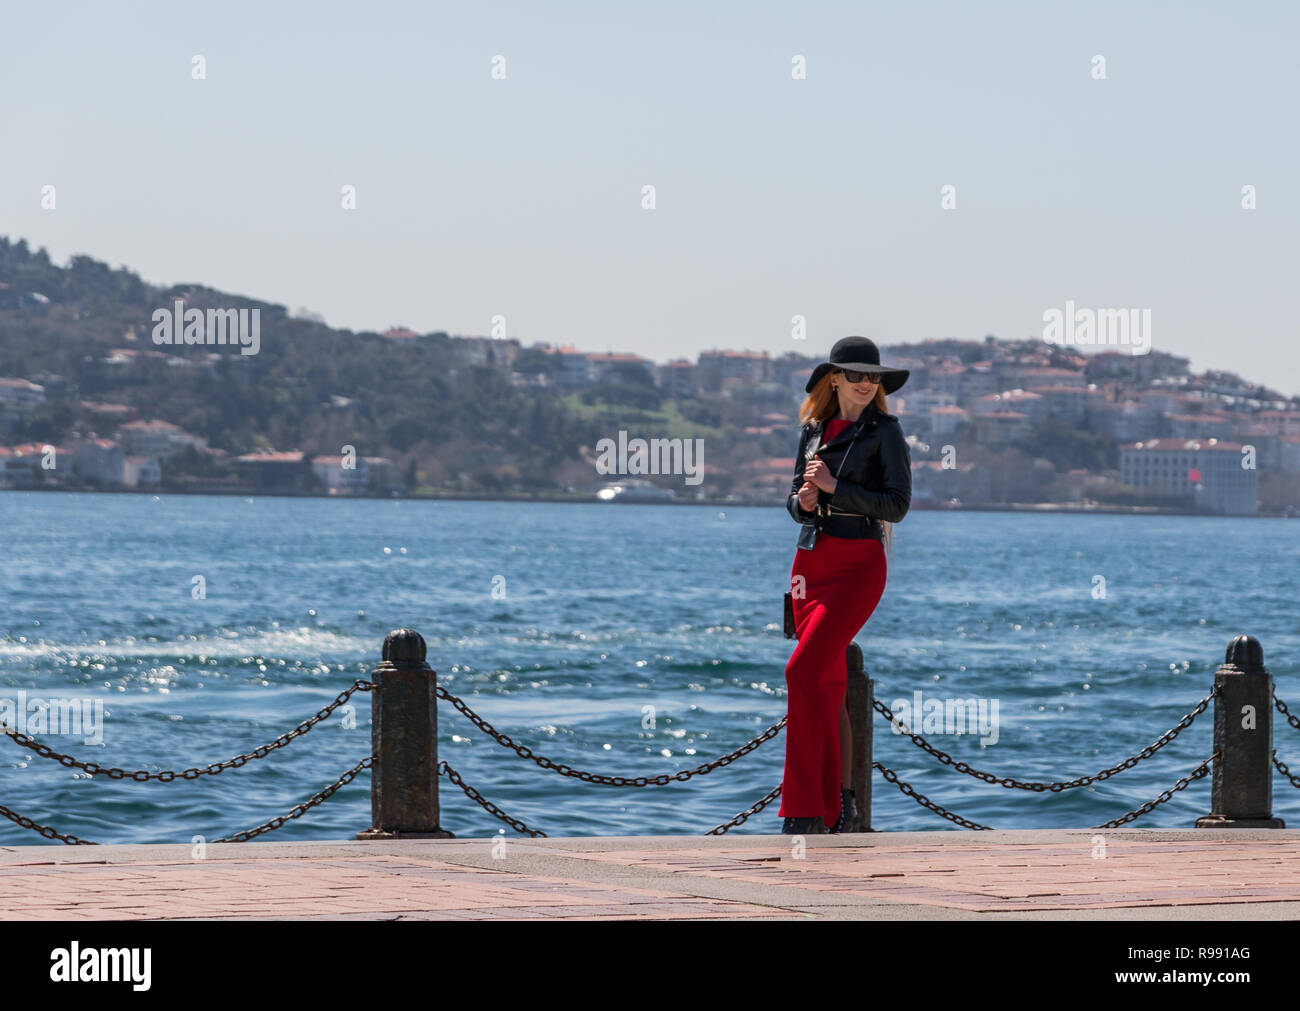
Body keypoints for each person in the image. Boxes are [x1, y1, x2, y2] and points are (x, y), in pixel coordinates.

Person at [780, 336, 912, 835]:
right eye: (854, 374)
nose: (864, 383)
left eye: (872, 377)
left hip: (859, 565)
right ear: (833, 378)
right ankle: (841, 807)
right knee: (828, 684)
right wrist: (807, 502)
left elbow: (897, 505)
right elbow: (793, 501)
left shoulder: (887, 433)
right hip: (809, 565)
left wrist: (839, 490)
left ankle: (805, 809)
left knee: (802, 671)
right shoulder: (812, 430)